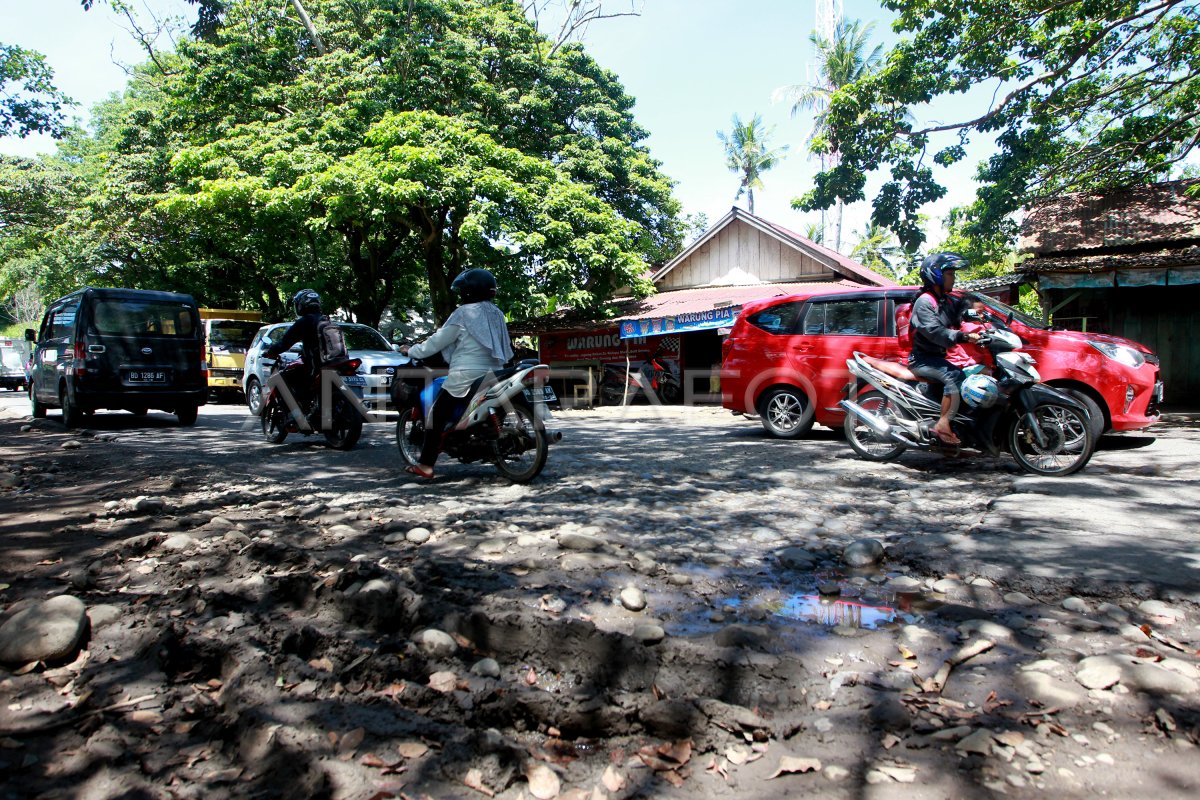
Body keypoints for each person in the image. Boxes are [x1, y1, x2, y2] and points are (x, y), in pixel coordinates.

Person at [400, 268, 514, 478]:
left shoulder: (463, 314)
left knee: (437, 415)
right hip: (496, 373)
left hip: (466, 376)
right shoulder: (497, 314)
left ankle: (425, 465)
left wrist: (412, 350)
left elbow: (438, 342)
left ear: (468, 292)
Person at [908, 253, 982, 446]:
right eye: (950, 273)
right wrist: (961, 336)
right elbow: (935, 332)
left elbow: (965, 312)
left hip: (938, 358)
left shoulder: (946, 300)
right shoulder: (925, 302)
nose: (954, 278)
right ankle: (943, 423)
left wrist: (985, 320)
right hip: (922, 359)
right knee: (955, 376)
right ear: (936, 275)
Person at [264, 288, 326, 421]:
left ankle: (296, 414)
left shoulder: (304, 322)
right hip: (332, 362)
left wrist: (270, 351)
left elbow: (284, 344)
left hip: (314, 364)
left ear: (302, 305)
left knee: (284, 378)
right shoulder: (327, 320)